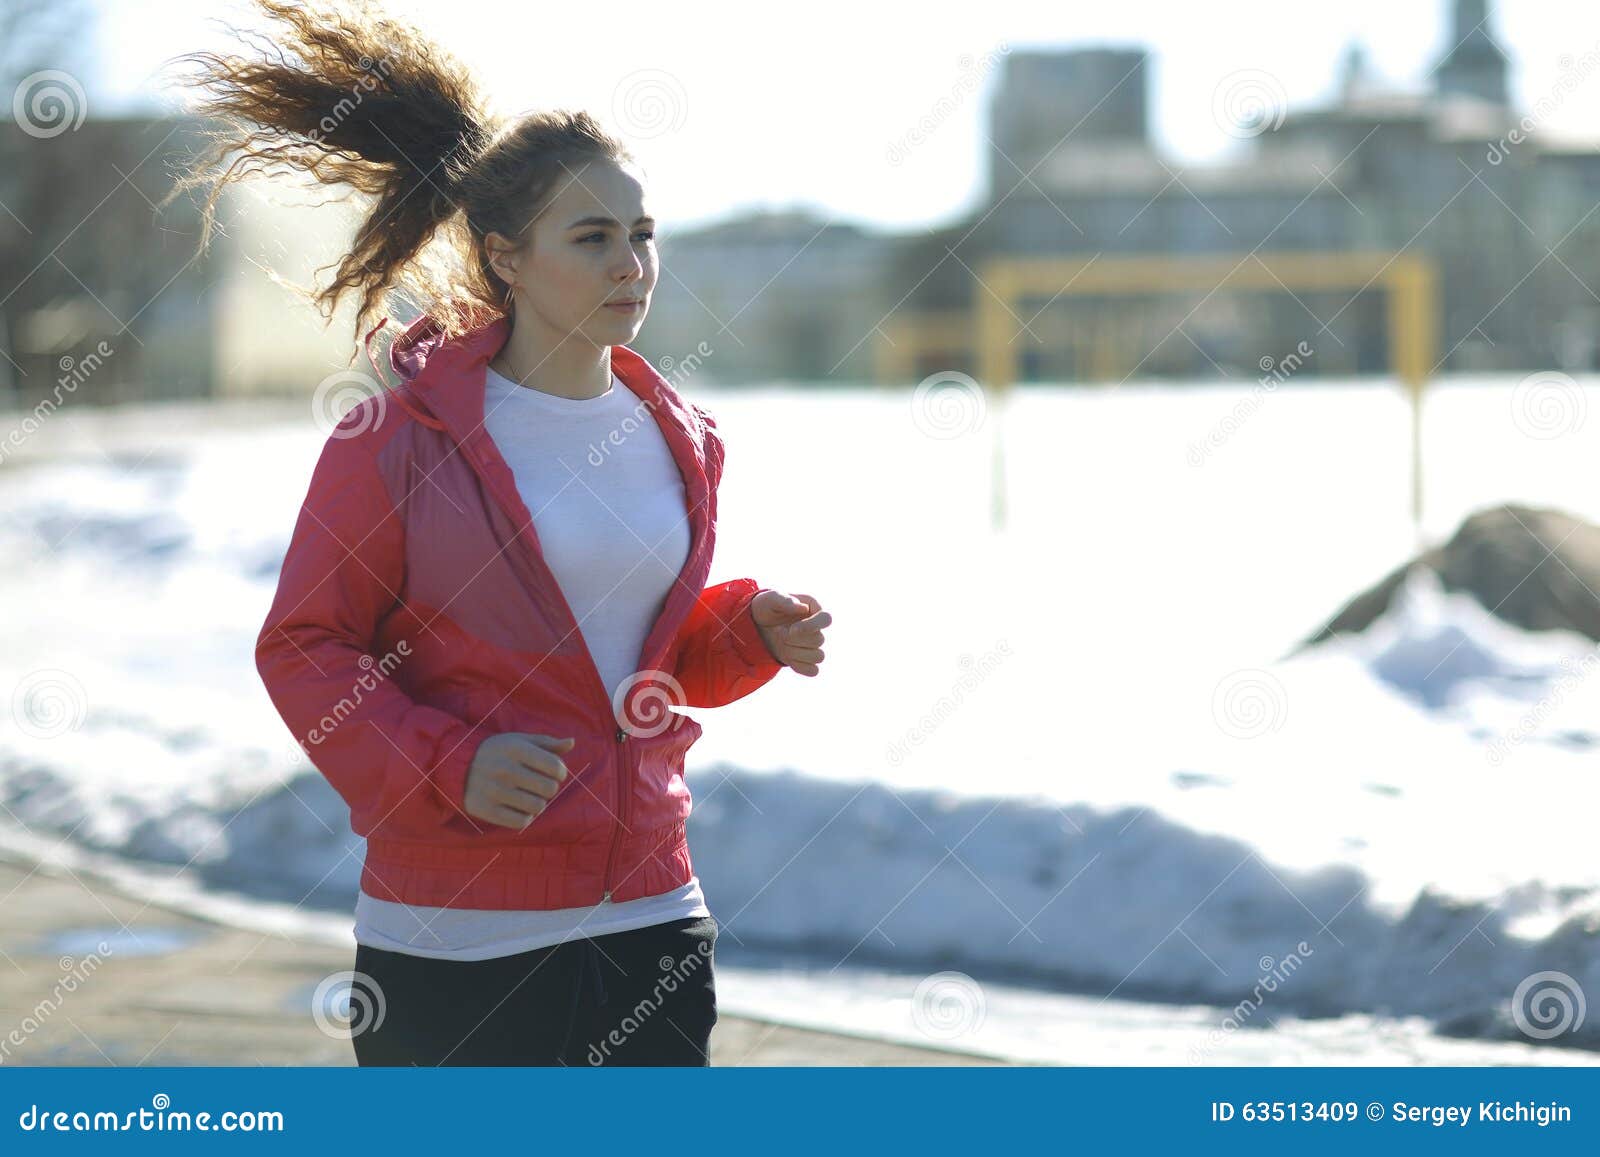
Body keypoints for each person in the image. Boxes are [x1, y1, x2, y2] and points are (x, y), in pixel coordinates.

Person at [165, 0, 830, 1066]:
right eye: (594, 237)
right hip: (457, 932)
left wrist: (745, 630)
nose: (632, 264)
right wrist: (448, 766)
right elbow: (305, 646)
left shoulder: (682, 437)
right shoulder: (395, 437)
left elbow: (631, 655)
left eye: (642, 234)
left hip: (651, 911)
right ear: (506, 259)